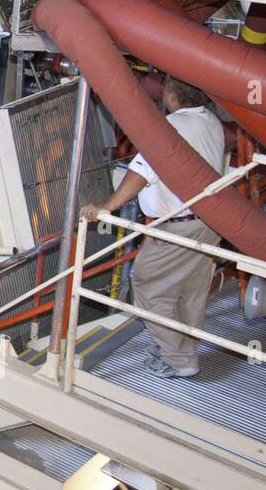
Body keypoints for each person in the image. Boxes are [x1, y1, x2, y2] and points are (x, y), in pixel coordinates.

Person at [79, 75, 225, 379]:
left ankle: (178, 359)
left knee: (146, 283)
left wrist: (105, 208)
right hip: (209, 221)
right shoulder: (210, 120)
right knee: (190, 291)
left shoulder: (168, 129)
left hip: (178, 226)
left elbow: (141, 173)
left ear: (171, 94)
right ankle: (184, 350)